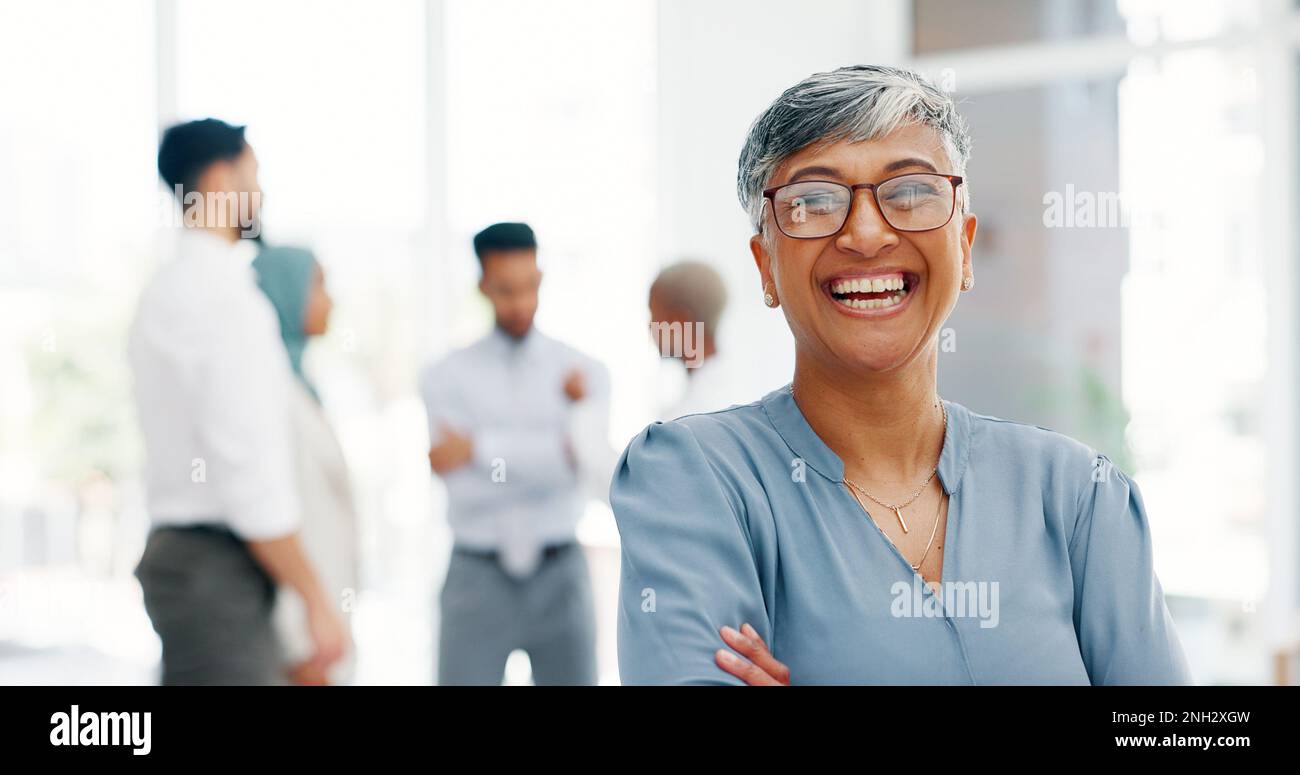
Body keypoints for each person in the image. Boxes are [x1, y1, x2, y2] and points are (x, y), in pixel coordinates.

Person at [610, 66, 1192, 685]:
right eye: (813, 201)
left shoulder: (1079, 498)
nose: (865, 234)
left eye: (910, 193)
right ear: (767, 267)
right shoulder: (693, 479)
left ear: (964, 248)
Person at [129, 119, 346, 685]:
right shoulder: (221, 299)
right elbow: (246, 470)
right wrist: (315, 598)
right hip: (216, 566)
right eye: (255, 174)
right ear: (222, 177)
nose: (261, 193)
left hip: (197, 563)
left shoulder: (173, 287)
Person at [420, 222, 609, 685]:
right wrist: (550, 451)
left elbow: (581, 469)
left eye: (529, 286)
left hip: (561, 572)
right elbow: (463, 490)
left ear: (541, 277)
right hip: (475, 575)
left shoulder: (583, 372)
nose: (521, 303)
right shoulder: (444, 376)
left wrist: (478, 447)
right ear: (482, 286)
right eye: (506, 290)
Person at [252, 244, 360, 686]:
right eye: (318, 285)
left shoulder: (301, 386)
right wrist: (298, 644)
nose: (330, 300)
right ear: (285, 293)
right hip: (303, 646)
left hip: (322, 631)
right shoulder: (269, 397)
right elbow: (272, 518)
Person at [648, 260, 737, 418]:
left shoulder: (689, 417)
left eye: (654, 315)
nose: (649, 326)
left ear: (680, 322)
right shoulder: (735, 387)